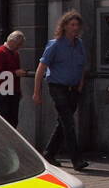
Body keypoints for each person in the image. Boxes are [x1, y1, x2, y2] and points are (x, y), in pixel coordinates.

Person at [33, 10, 89, 171]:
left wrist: (80, 85)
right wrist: (37, 92)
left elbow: (82, 67)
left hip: (73, 89)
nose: (75, 28)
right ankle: (76, 160)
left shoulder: (79, 45)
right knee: (69, 123)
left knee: (63, 123)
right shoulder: (55, 44)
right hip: (57, 87)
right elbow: (41, 68)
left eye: (77, 25)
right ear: (64, 26)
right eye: (72, 25)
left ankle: (49, 153)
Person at [0, 31, 27, 127]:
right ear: (12, 42)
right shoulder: (0, 52)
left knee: (13, 120)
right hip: (1, 90)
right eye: (18, 44)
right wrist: (15, 73)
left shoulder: (15, 54)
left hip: (12, 90)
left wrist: (18, 90)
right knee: (3, 121)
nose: (19, 47)